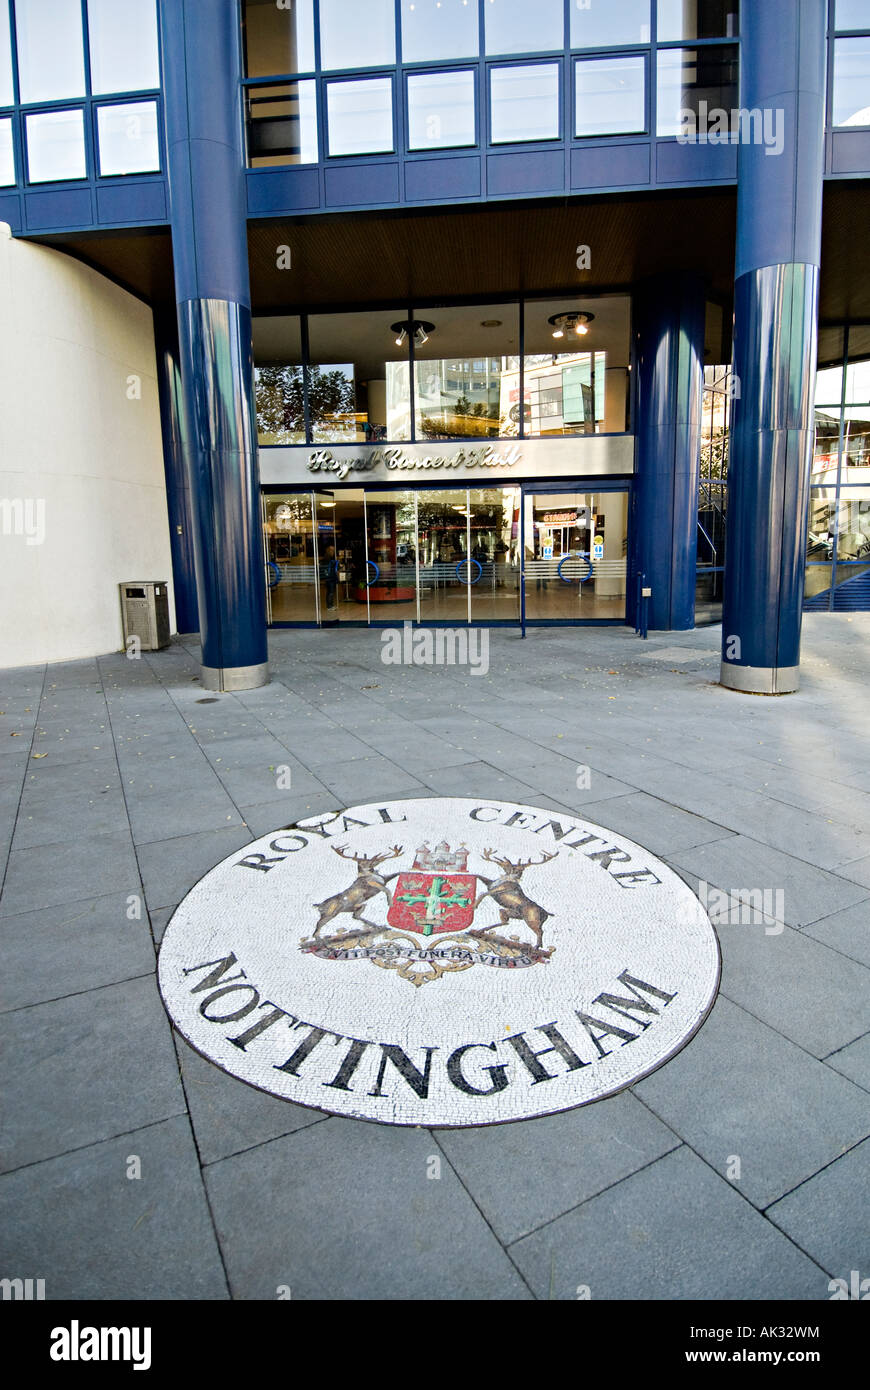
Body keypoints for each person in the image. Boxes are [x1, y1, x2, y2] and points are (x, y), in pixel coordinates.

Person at [323, 545, 339, 619]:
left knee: (330, 592)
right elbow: (330, 566)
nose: (333, 551)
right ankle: (329, 606)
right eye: (332, 550)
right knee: (330, 592)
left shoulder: (328, 557)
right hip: (330, 577)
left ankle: (330, 605)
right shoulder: (328, 558)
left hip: (330, 577)